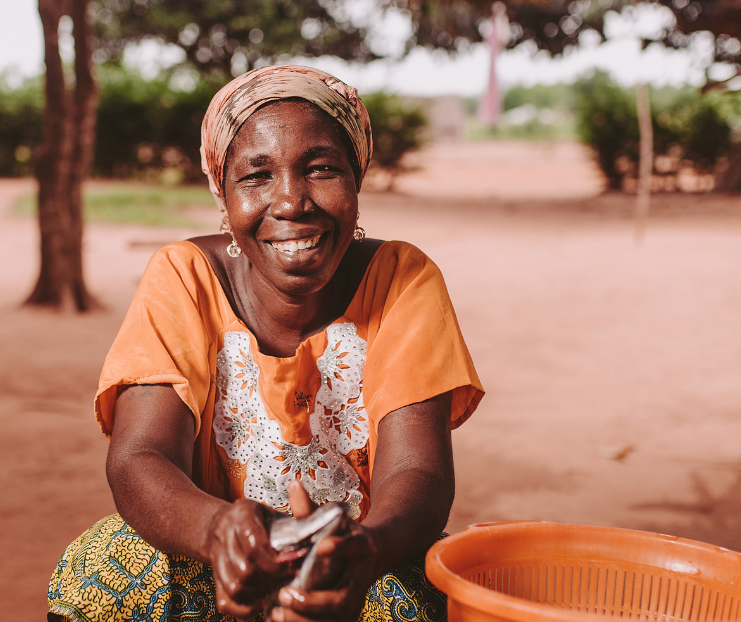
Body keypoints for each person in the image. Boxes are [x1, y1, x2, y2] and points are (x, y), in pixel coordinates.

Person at [47, 65, 484, 622]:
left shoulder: (403, 278)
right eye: (256, 176)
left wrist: (361, 553)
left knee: (421, 595)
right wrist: (217, 532)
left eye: (322, 169)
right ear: (222, 197)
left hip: (357, 564)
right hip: (216, 556)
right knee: (106, 566)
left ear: (357, 180)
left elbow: (419, 474)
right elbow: (139, 456)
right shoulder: (184, 277)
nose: (291, 202)